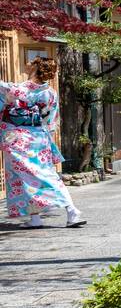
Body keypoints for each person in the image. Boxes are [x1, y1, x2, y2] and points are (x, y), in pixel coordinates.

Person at [0, 57, 86, 228]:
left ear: (36, 68)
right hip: (39, 138)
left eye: (31, 62)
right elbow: (50, 121)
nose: (27, 63)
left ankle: (72, 210)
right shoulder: (50, 93)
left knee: (37, 176)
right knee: (35, 175)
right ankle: (35, 218)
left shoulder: (17, 90)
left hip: (18, 140)